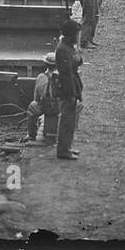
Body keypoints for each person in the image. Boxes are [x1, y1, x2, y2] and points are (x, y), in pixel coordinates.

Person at [54, 20, 83, 160]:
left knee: (71, 120)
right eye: (76, 34)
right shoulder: (62, 50)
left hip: (72, 86)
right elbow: (66, 76)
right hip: (67, 89)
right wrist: (72, 94)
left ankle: (67, 147)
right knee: (67, 121)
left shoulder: (69, 47)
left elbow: (77, 61)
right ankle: (63, 150)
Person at [26, 53, 60, 142]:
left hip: (46, 107)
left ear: (46, 64)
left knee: (32, 108)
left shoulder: (41, 77)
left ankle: (32, 135)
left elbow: (37, 98)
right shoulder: (63, 76)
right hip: (61, 107)